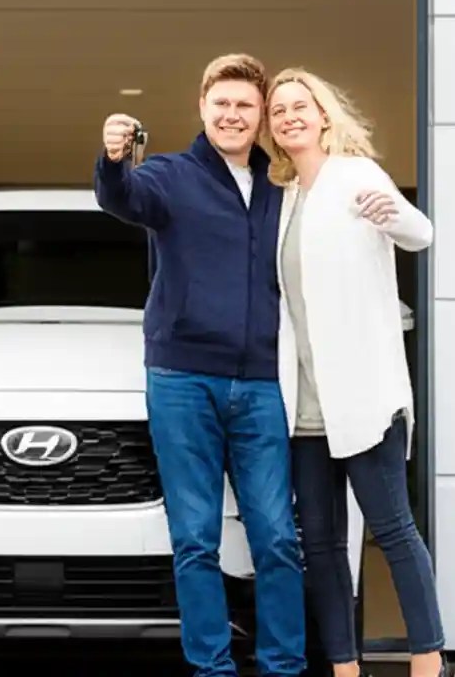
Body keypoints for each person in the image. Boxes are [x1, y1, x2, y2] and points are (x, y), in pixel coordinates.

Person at [93, 54, 306, 677]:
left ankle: (284, 665)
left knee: (276, 539)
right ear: (203, 109)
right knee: (195, 539)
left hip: (265, 382)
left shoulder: (283, 186)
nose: (233, 115)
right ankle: (211, 668)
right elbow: (123, 198)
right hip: (183, 379)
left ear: (261, 115)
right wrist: (113, 159)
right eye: (222, 105)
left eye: (245, 106)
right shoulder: (169, 176)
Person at [263, 66, 453, 677]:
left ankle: (427, 661)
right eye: (278, 111)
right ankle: (344, 667)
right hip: (306, 407)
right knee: (319, 544)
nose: (289, 116)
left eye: (300, 105)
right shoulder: (286, 197)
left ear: (324, 115)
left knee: (393, 530)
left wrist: (391, 212)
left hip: (366, 398)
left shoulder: (357, 175)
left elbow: (420, 233)